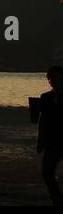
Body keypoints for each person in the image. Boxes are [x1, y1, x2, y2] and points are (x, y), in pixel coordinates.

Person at [36, 65, 63, 206]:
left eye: (57, 78)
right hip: (52, 141)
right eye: (52, 78)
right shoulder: (46, 97)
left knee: (48, 171)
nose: (54, 81)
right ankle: (57, 198)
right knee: (47, 171)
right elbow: (43, 120)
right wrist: (40, 141)